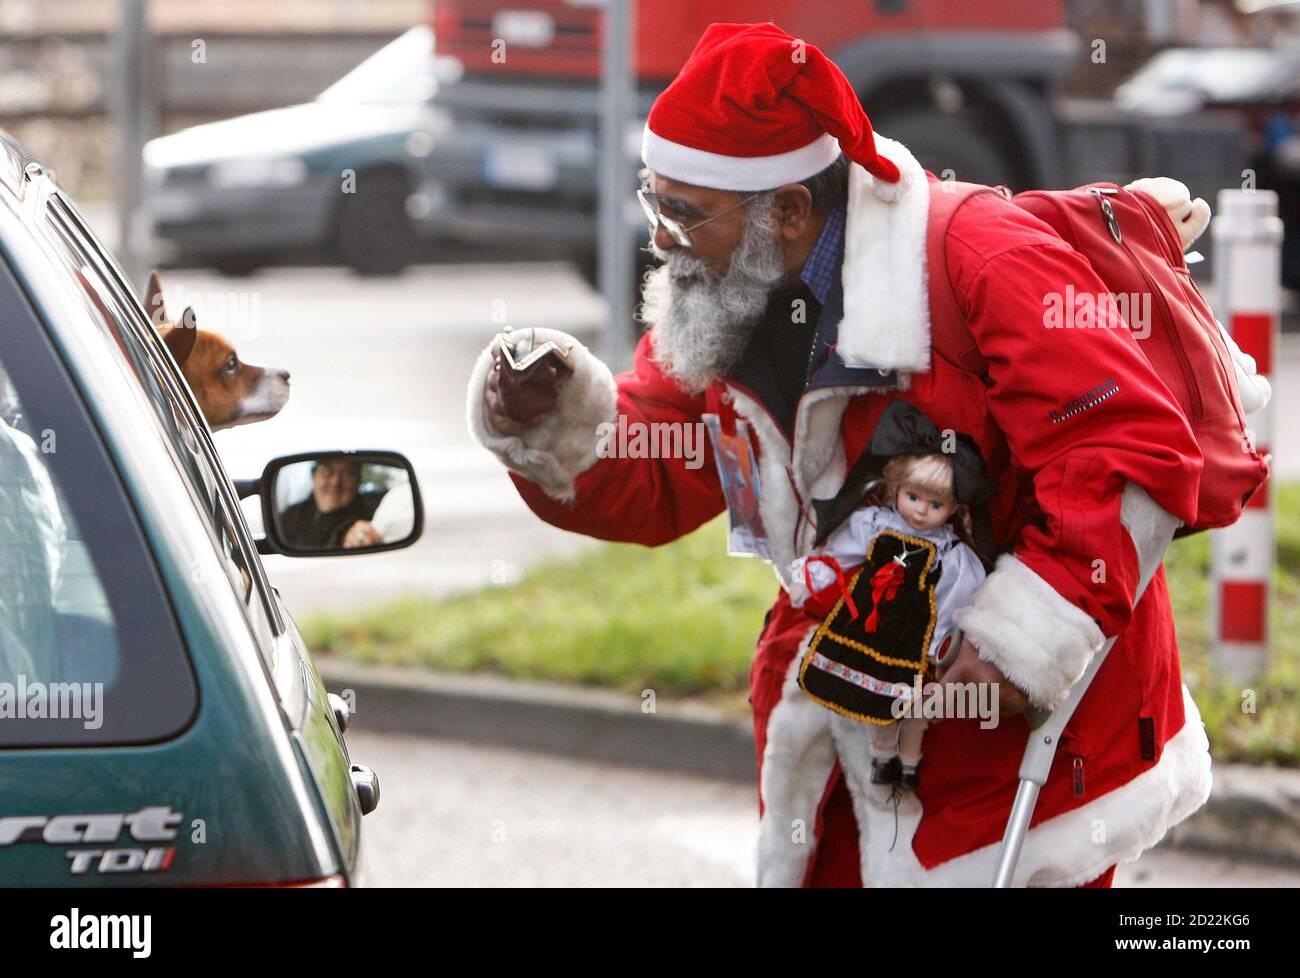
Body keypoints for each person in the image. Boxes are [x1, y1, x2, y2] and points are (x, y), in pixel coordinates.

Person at [465, 22, 1256, 886]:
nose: (661, 237)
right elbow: (657, 468)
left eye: (683, 211)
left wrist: (1017, 646)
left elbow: (1130, 453)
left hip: (1020, 751)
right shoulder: (725, 298)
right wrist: (550, 418)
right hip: (849, 728)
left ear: (790, 210)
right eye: (654, 202)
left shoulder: (982, 258)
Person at [789, 409, 988, 793]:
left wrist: (940, 642)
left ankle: (909, 765)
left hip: (911, 635)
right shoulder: (874, 525)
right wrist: (811, 579)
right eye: (913, 497)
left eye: (935, 505)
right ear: (896, 488)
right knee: (875, 701)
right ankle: (882, 759)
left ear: (953, 509)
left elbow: (954, 596)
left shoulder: (950, 552)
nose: (919, 510)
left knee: (911, 706)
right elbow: (840, 555)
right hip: (868, 624)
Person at [278, 459, 383, 550]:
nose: (335, 482)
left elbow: (353, 532)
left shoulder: (371, 517)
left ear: (357, 481)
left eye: (347, 474)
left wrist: (356, 537)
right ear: (314, 476)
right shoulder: (291, 515)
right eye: (327, 472)